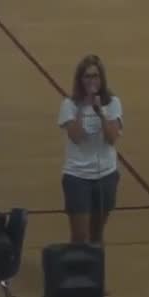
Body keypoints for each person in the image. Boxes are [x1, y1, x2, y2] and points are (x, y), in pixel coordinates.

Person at [57, 54, 122, 246]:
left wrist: (100, 113)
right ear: (80, 80)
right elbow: (76, 137)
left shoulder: (112, 103)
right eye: (87, 76)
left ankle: (95, 275)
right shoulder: (68, 105)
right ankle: (76, 275)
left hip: (106, 175)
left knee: (97, 235)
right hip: (77, 176)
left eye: (95, 76)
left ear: (101, 79)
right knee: (80, 236)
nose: (91, 80)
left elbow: (111, 139)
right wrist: (81, 107)